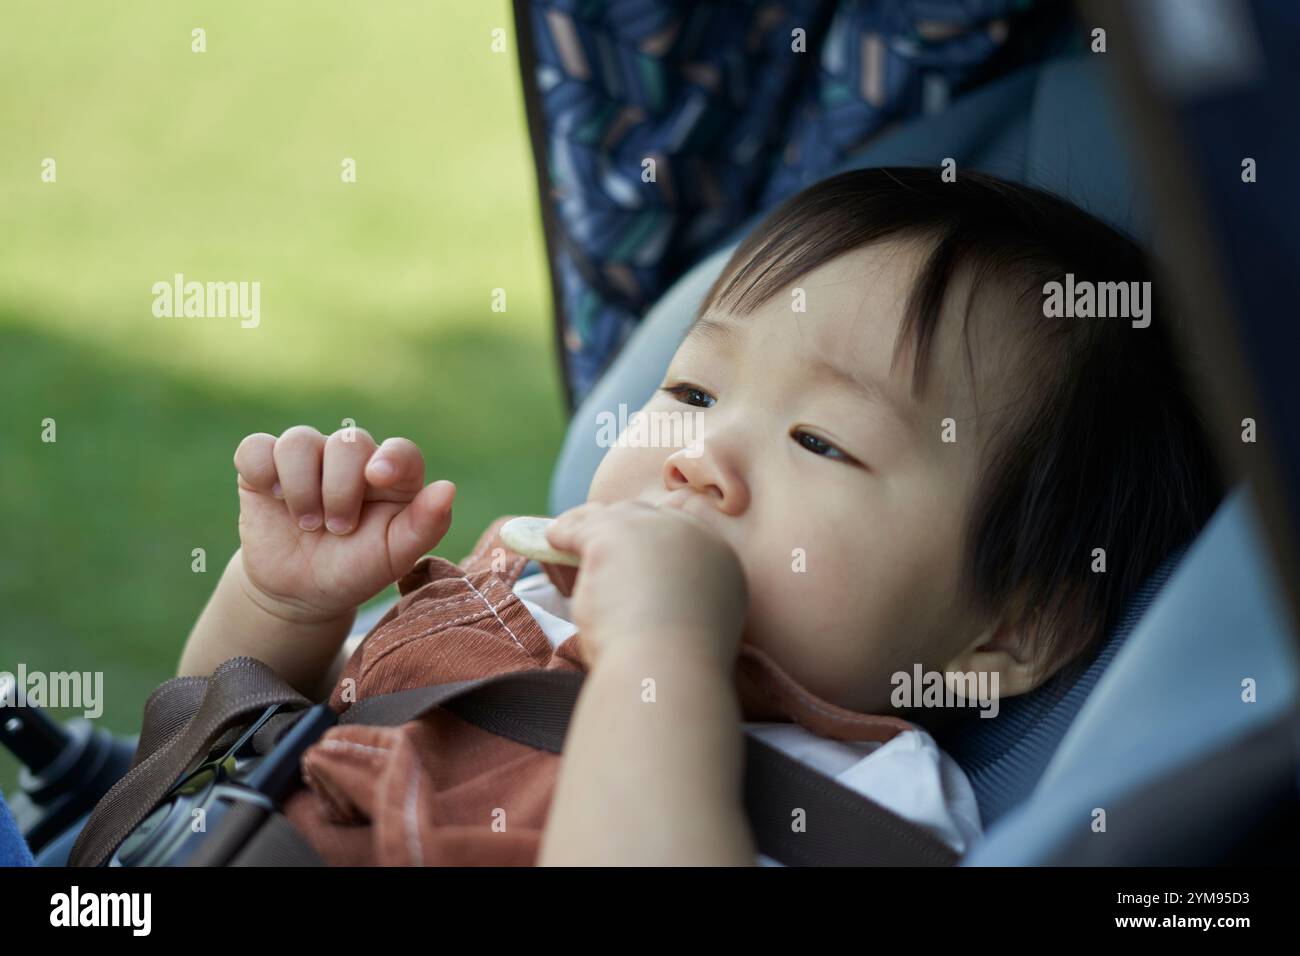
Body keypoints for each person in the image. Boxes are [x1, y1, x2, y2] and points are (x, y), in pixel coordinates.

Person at [177, 168, 1222, 864]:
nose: (701, 458)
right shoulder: (517, 602)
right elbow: (190, 769)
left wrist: (660, 653)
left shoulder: (866, 803)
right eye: (690, 395)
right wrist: (281, 604)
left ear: (1005, 630)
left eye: (821, 441)